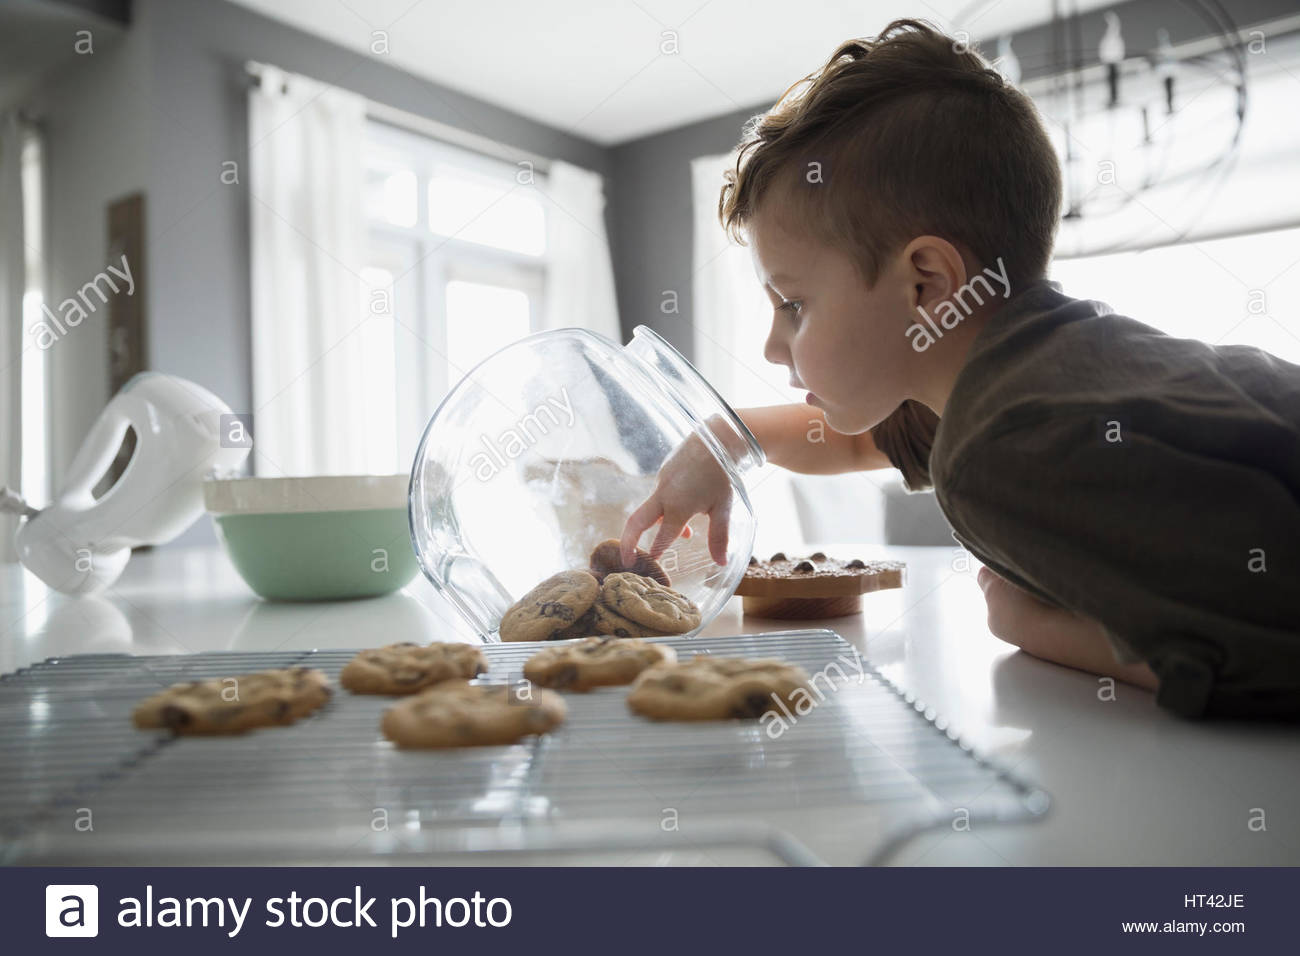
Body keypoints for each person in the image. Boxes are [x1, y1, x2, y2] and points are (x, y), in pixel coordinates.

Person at [620, 19, 1300, 720]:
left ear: (927, 284)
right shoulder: (1034, 366)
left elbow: (1260, 660)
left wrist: (1023, 623)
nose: (771, 346)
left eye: (794, 303)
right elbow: (862, 439)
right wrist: (725, 440)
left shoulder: (1008, 448)